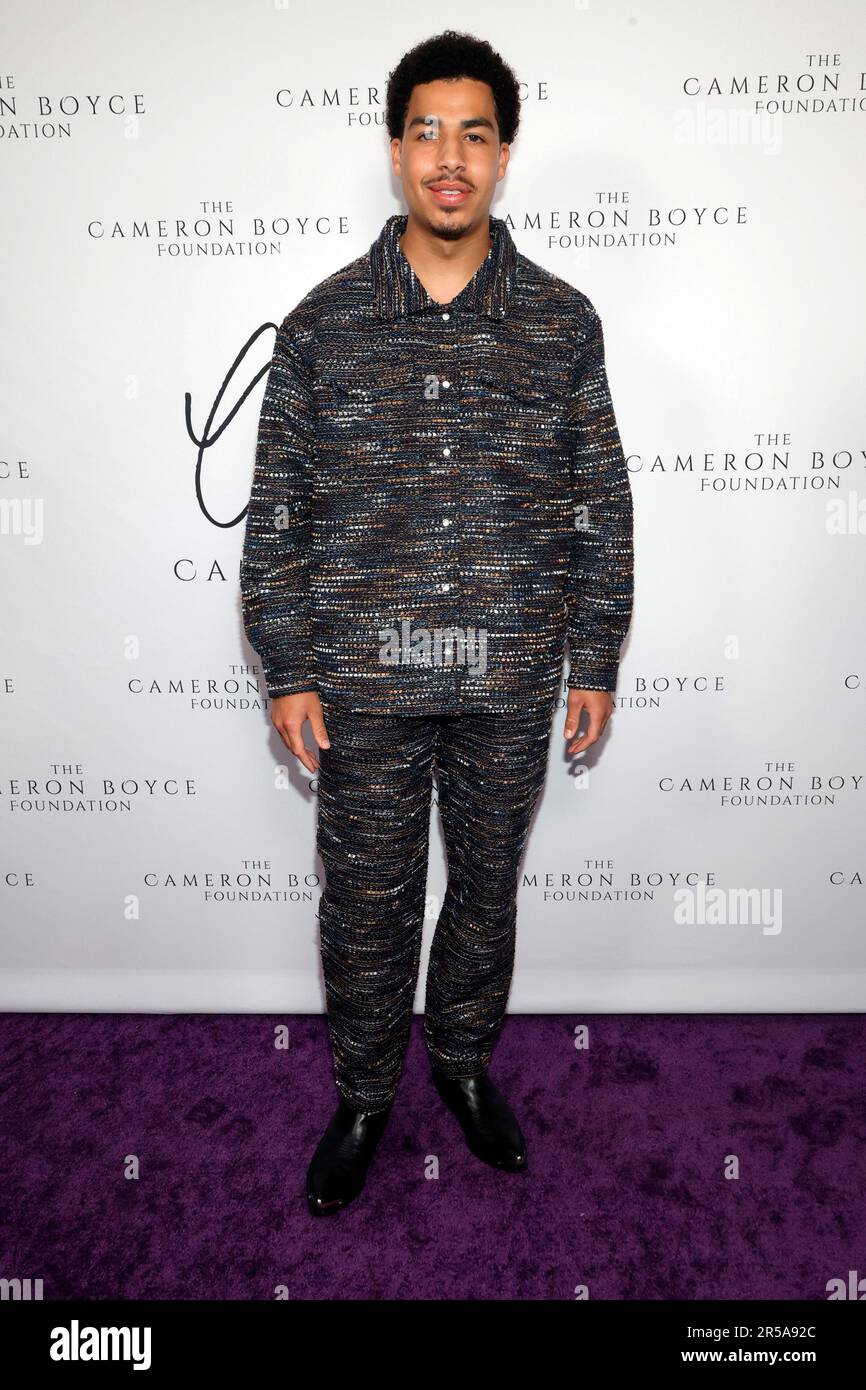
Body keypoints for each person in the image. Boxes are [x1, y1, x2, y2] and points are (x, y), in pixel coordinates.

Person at [240, 29, 634, 1216]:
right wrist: (289, 665)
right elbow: (277, 514)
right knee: (363, 901)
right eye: (426, 131)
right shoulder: (320, 327)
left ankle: (460, 1065)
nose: (448, 158)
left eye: (473, 133)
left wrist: (594, 656)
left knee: (484, 892)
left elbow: (597, 500)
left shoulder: (561, 323)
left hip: (510, 674)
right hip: (360, 680)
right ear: (393, 148)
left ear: (504, 154)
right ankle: (364, 1091)